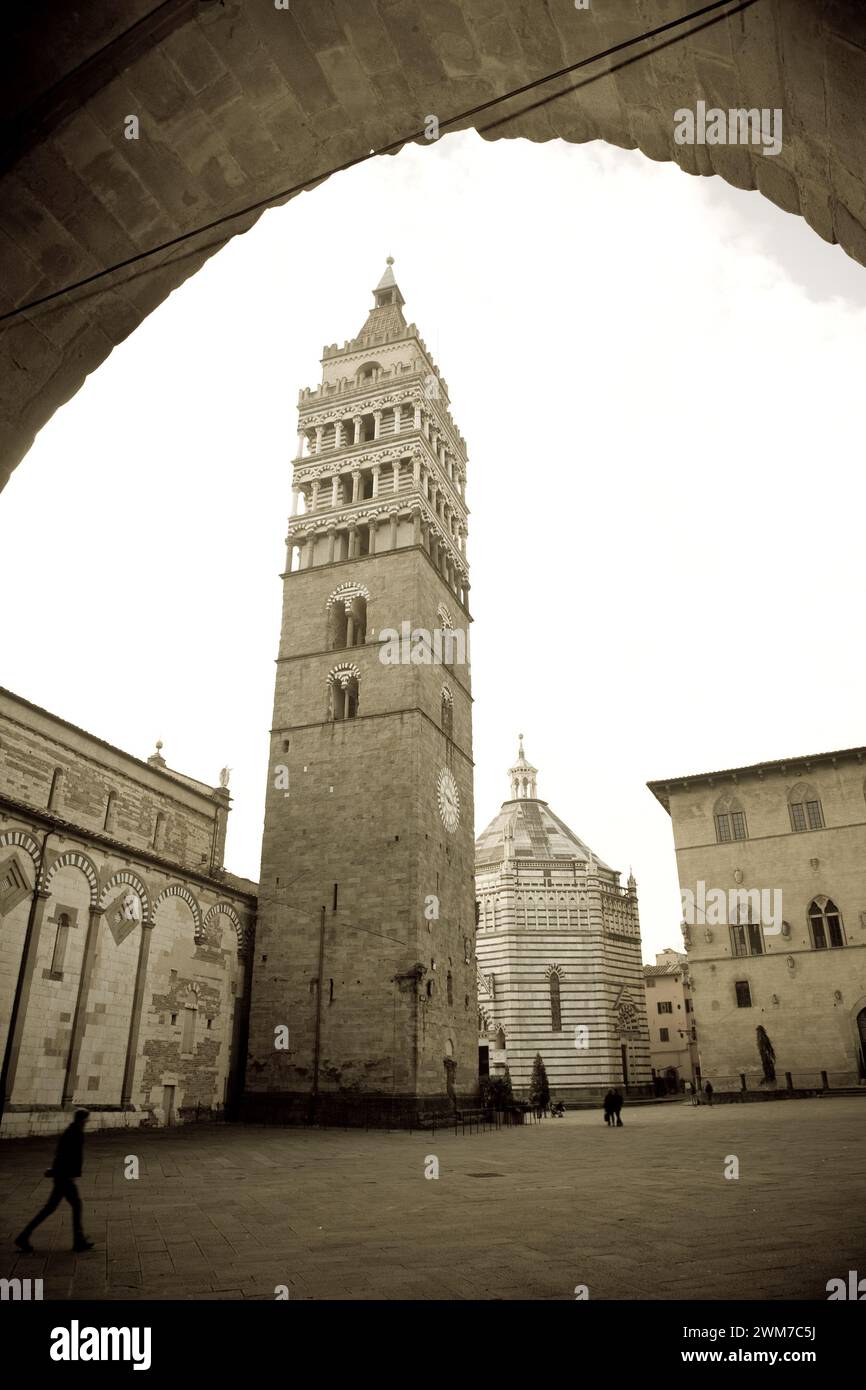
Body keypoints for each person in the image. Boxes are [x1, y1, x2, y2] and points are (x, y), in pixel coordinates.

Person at [15, 1108, 94, 1253]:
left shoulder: (72, 1131)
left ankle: (24, 1235)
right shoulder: (75, 1133)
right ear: (82, 1120)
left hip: (62, 1176)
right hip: (65, 1177)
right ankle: (78, 1240)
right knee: (75, 1205)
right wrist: (60, 1172)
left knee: (50, 1208)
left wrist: (54, 1171)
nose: (87, 1122)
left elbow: (61, 1153)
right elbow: (65, 1155)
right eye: (86, 1119)